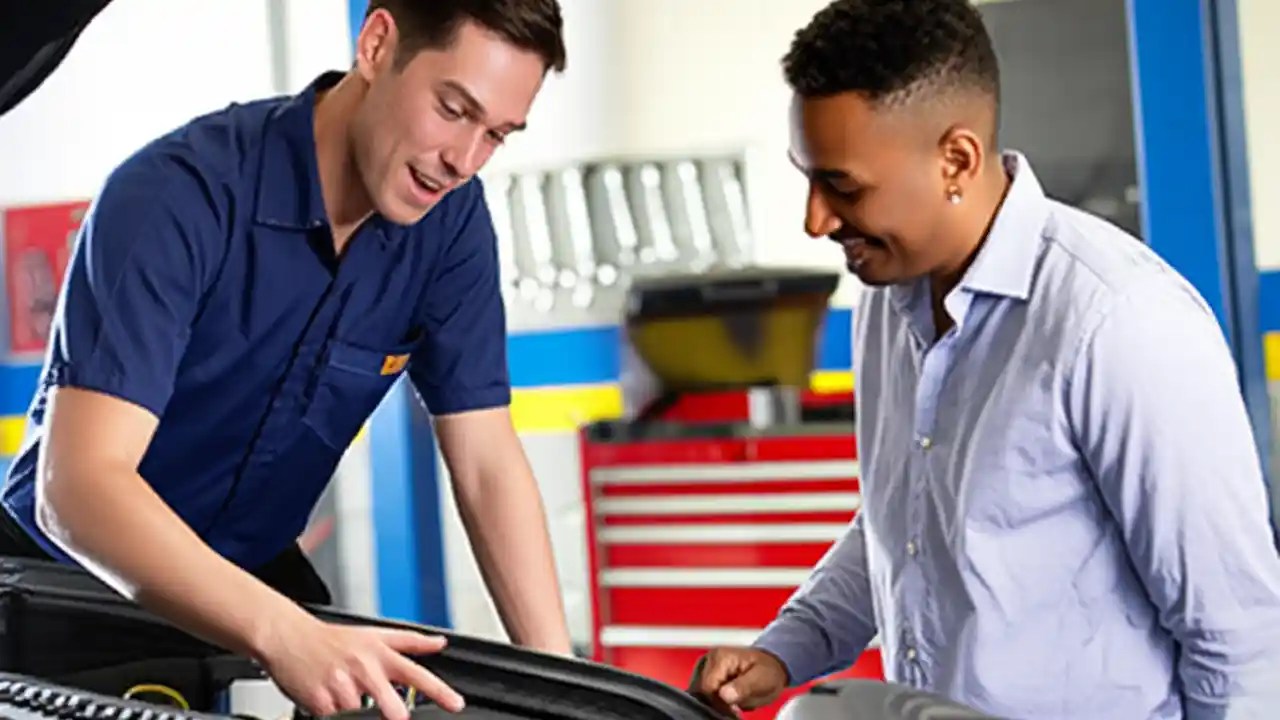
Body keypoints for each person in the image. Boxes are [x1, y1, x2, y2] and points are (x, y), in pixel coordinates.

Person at [689, 1, 1280, 718]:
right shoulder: (887, 297)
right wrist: (788, 648)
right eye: (806, 179)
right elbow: (902, 527)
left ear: (956, 160)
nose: (814, 219)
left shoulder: (1118, 321)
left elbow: (1239, 642)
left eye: (843, 186)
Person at [0, 1, 574, 718]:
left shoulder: (449, 223)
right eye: (453, 109)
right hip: (69, 578)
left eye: (497, 135)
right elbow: (78, 491)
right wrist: (281, 630)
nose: (464, 160)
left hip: (251, 568)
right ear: (376, 44)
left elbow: (486, 461)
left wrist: (568, 690)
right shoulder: (176, 198)